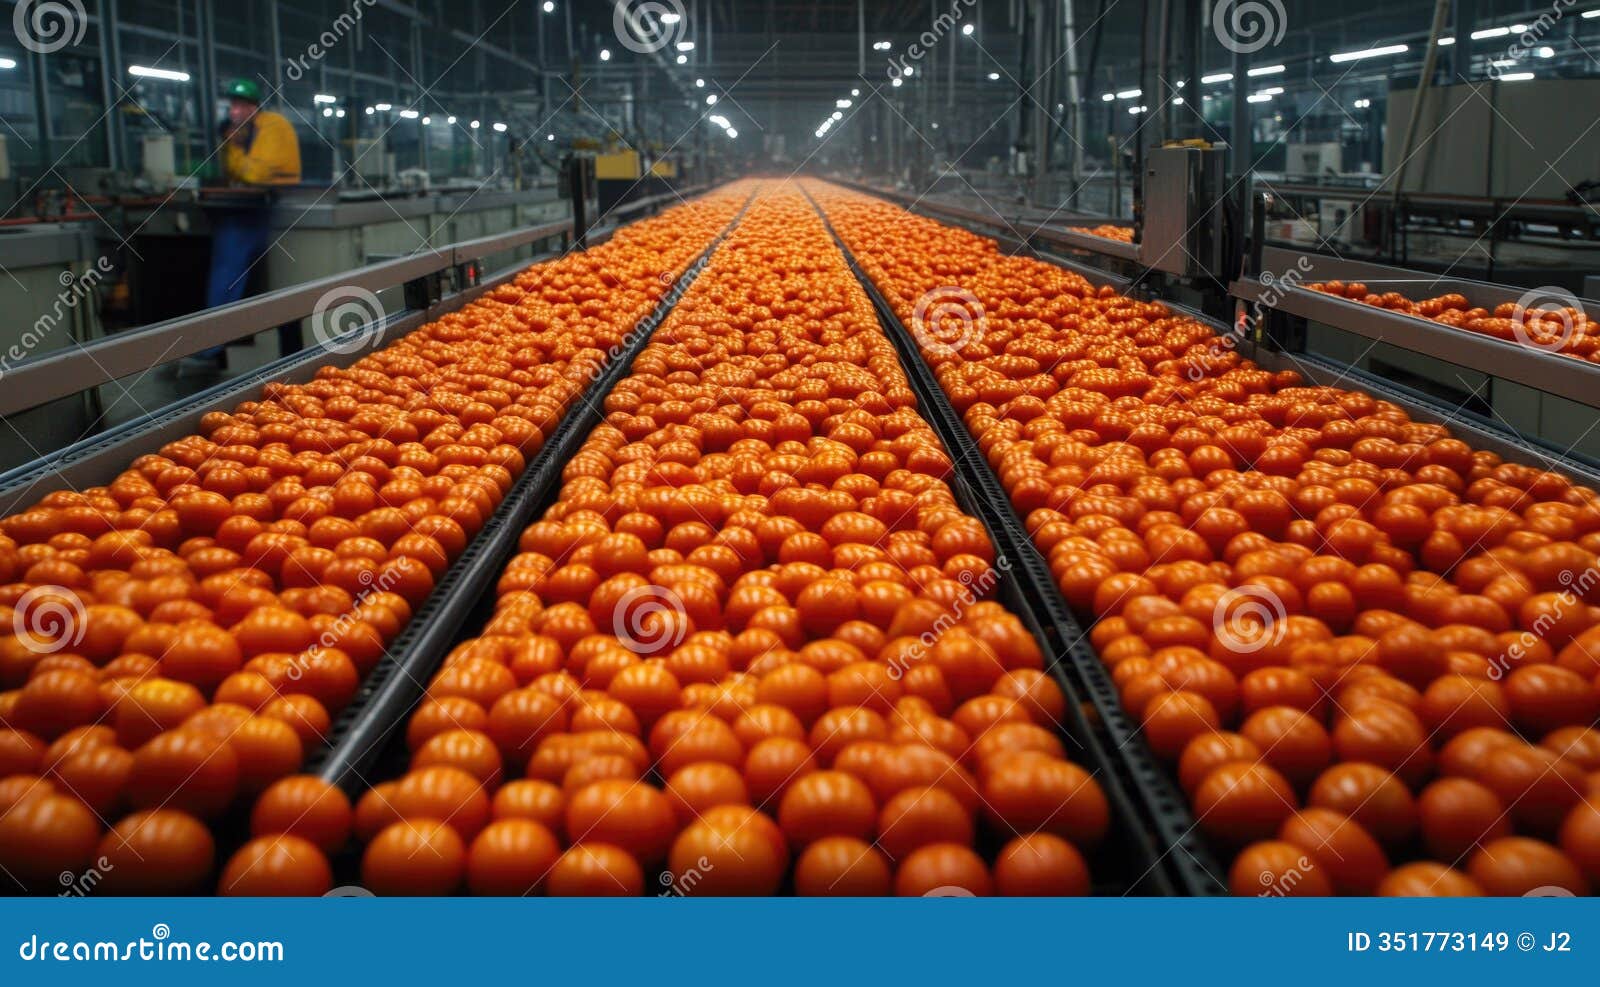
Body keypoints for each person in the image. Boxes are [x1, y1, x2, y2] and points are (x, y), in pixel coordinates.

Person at [188, 78, 301, 372]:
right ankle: (218, 341)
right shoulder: (244, 133)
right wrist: (233, 145)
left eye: (242, 106)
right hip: (256, 208)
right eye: (233, 106)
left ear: (255, 106)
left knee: (229, 263)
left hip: (274, 210)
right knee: (227, 263)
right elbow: (234, 172)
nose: (236, 112)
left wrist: (235, 146)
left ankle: (215, 341)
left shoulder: (271, 126)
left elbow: (255, 174)